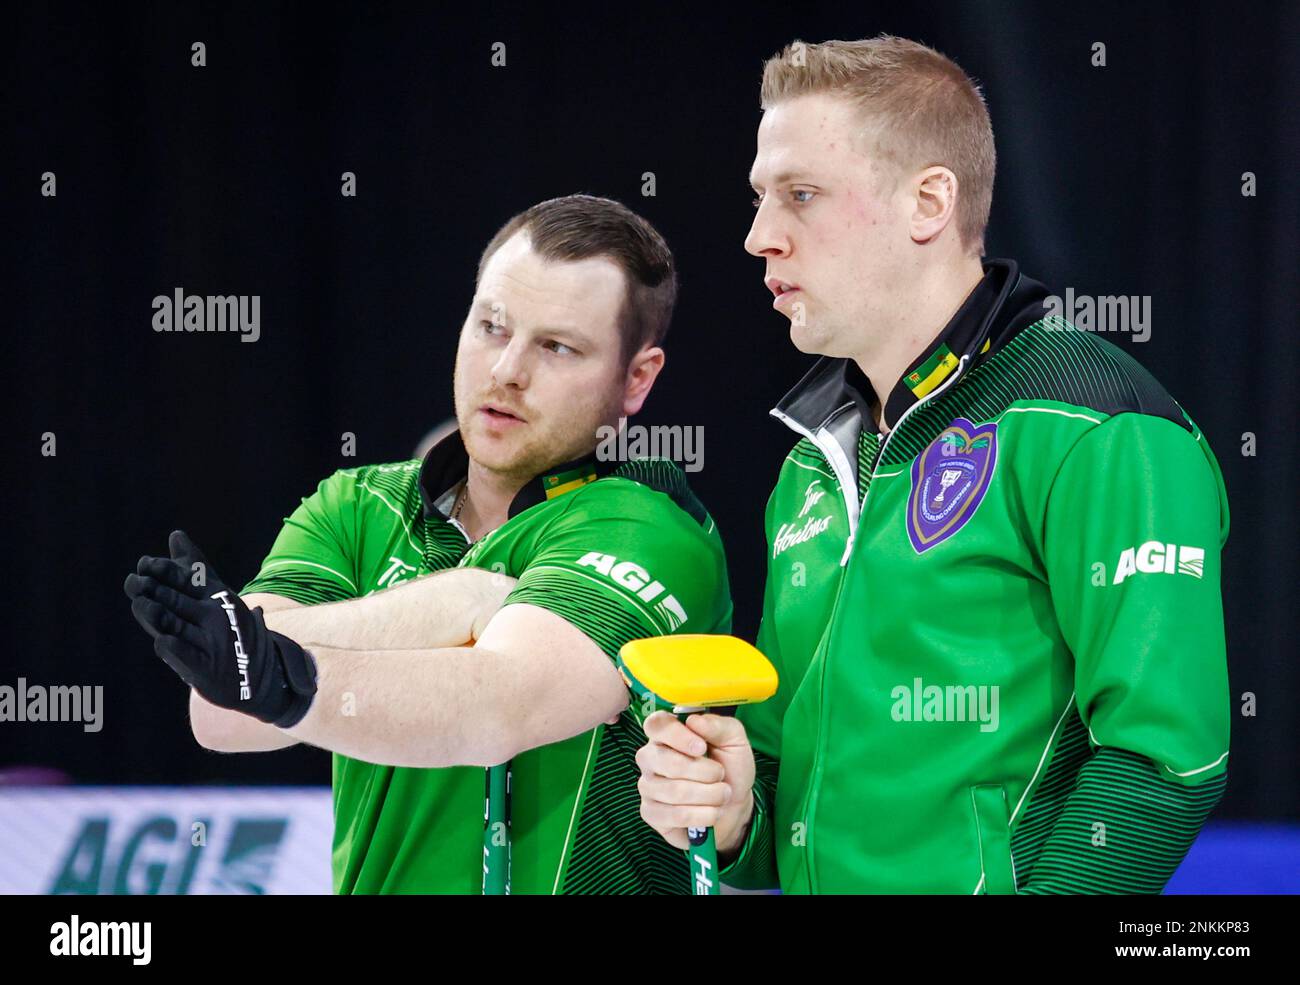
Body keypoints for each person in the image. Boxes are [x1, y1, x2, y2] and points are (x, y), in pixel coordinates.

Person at [636, 37, 1230, 894]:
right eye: (761, 198)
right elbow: (784, 792)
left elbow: (1168, 754)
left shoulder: (1097, 425)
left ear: (928, 201)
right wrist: (734, 814)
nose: (759, 237)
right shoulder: (813, 461)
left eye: (801, 195)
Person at [124, 194, 733, 894]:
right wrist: (463, 602)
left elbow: (498, 706)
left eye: (557, 347)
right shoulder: (356, 504)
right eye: (491, 326)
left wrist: (275, 662)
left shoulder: (650, 523)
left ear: (637, 378)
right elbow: (222, 710)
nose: (506, 369)